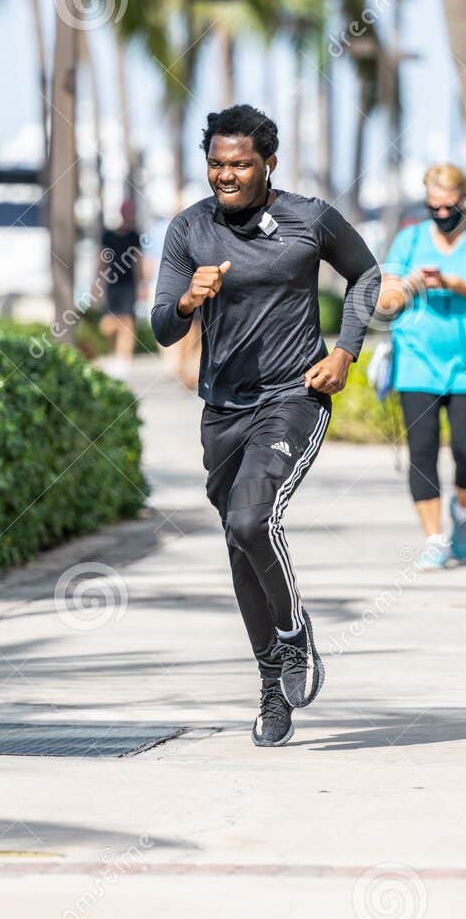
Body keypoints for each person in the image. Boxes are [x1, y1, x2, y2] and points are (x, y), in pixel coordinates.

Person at [152, 103, 382, 748]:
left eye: (240, 165)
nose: (225, 176)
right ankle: (269, 682)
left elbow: (365, 273)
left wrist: (344, 352)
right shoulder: (189, 230)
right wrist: (187, 301)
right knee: (237, 541)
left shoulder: (309, 218)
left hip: (293, 397)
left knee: (254, 520)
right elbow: (161, 326)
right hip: (223, 408)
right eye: (216, 164)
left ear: (267, 164)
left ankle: (293, 633)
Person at [376, 164, 466, 571]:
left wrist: (458, 284)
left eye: (449, 206)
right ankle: (434, 539)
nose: (441, 214)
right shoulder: (409, 240)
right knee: (421, 453)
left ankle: (463, 507)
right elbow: (384, 303)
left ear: (465, 200)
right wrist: (411, 285)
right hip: (417, 363)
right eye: (433, 207)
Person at [97, 200, 142, 379]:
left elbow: (139, 262)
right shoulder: (108, 235)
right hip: (111, 282)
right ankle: (114, 353)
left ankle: (124, 358)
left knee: (128, 321)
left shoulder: (134, 236)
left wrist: (143, 285)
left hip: (129, 283)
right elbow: (100, 260)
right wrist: (96, 284)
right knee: (109, 322)